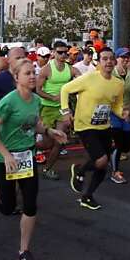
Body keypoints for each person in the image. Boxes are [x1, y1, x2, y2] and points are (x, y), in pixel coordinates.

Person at [0, 58, 67, 260]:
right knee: (7, 208)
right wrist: (6, 155)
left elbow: (34, 124)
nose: (33, 76)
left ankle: (24, 251)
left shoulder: (36, 100)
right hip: (5, 159)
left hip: (27, 157)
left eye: (34, 73)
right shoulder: (8, 101)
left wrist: (48, 131)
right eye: (27, 73)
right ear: (16, 78)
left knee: (30, 204)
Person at [61, 48, 125, 210]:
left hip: (104, 125)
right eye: (105, 59)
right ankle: (80, 170)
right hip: (85, 125)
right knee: (101, 159)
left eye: (111, 59)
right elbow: (65, 89)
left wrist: (122, 113)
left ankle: (87, 196)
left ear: (115, 61)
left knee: (103, 165)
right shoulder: (89, 78)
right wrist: (66, 111)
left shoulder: (118, 84)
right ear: (99, 62)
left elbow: (116, 105)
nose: (109, 62)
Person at [36, 40, 79, 180]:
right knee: (47, 143)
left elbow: (82, 78)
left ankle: (47, 169)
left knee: (60, 140)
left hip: (62, 108)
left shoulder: (70, 68)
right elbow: (37, 89)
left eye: (65, 52)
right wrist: (52, 97)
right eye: (59, 52)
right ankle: (29, 146)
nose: (63, 55)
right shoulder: (47, 69)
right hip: (46, 107)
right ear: (53, 53)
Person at [108, 48, 130, 184]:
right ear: (116, 59)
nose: (126, 60)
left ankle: (109, 155)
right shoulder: (110, 74)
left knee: (126, 145)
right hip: (112, 113)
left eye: (128, 57)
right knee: (118, 142)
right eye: (123, 57)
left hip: (126, 113)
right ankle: (115, 172)